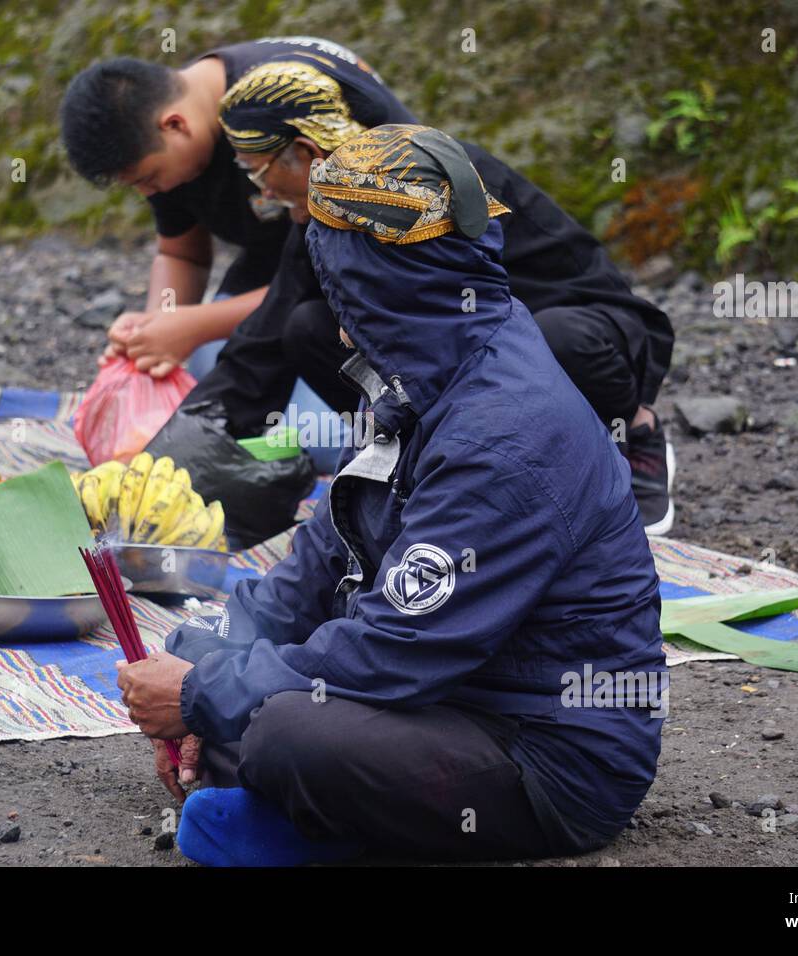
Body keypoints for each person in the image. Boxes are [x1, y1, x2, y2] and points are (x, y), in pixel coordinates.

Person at [115, 126, 667, 865]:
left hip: (544, 750)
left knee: (284, 732)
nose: (331, 308)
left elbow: (398, 648)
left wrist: (200, 697)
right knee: (216, 667)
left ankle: (316, 827)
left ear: (370, 277)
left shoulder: (503, 437)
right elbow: (321, 558)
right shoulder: (418, 372)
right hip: (440, 699)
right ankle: (304, 810)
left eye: (335, 274)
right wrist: (201, 663)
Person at [175, 55, 678, 532]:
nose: (262, 193)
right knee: (307, 327)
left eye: (258, 172)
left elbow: (479, 301)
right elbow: (267, 332)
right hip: (464, 349)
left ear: (306, 152)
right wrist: (189, 446)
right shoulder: (328, 210)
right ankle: (417, 458)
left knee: (559, 337)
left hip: (541, 327)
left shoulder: (425, 177)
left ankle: (635, 433)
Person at [58, 36, 415, 380]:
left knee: (311, 391)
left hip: (372, 271)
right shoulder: (158, 133)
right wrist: (154, 330)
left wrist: (197, 325)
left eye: (148, 179)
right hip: (274, 263)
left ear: (175, 125)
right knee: (206, 364)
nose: (149, 192)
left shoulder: (286, 102)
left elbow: (345, 270)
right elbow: (182, 255)